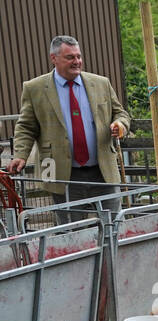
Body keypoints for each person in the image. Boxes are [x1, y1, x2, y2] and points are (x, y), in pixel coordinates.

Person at [7, 35, 130, 222]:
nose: (77, 61)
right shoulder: (35, 88)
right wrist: (20, 155)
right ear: (53, 58)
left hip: (103, 172)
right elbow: (26, 126)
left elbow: (120, 113)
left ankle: (112, 252)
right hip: (62, 174)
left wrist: (120, 124)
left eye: (79, 56)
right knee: (71, 232)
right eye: (70, 57)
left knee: (114, 226)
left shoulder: (101, 83)